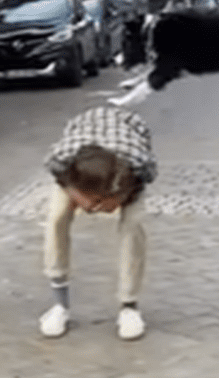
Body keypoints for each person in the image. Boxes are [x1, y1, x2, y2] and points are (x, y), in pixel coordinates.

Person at [39, 106, 158, 340]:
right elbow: (57, 174)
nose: (96, 206)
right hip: (79, 163)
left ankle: (129, 307)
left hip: (124, 166)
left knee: (133, 225)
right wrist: (79, 196)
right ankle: (59, 305)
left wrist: (119, 197)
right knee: (56, 217)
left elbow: (145, 179)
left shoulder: (137, 161)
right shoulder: (64, 156)